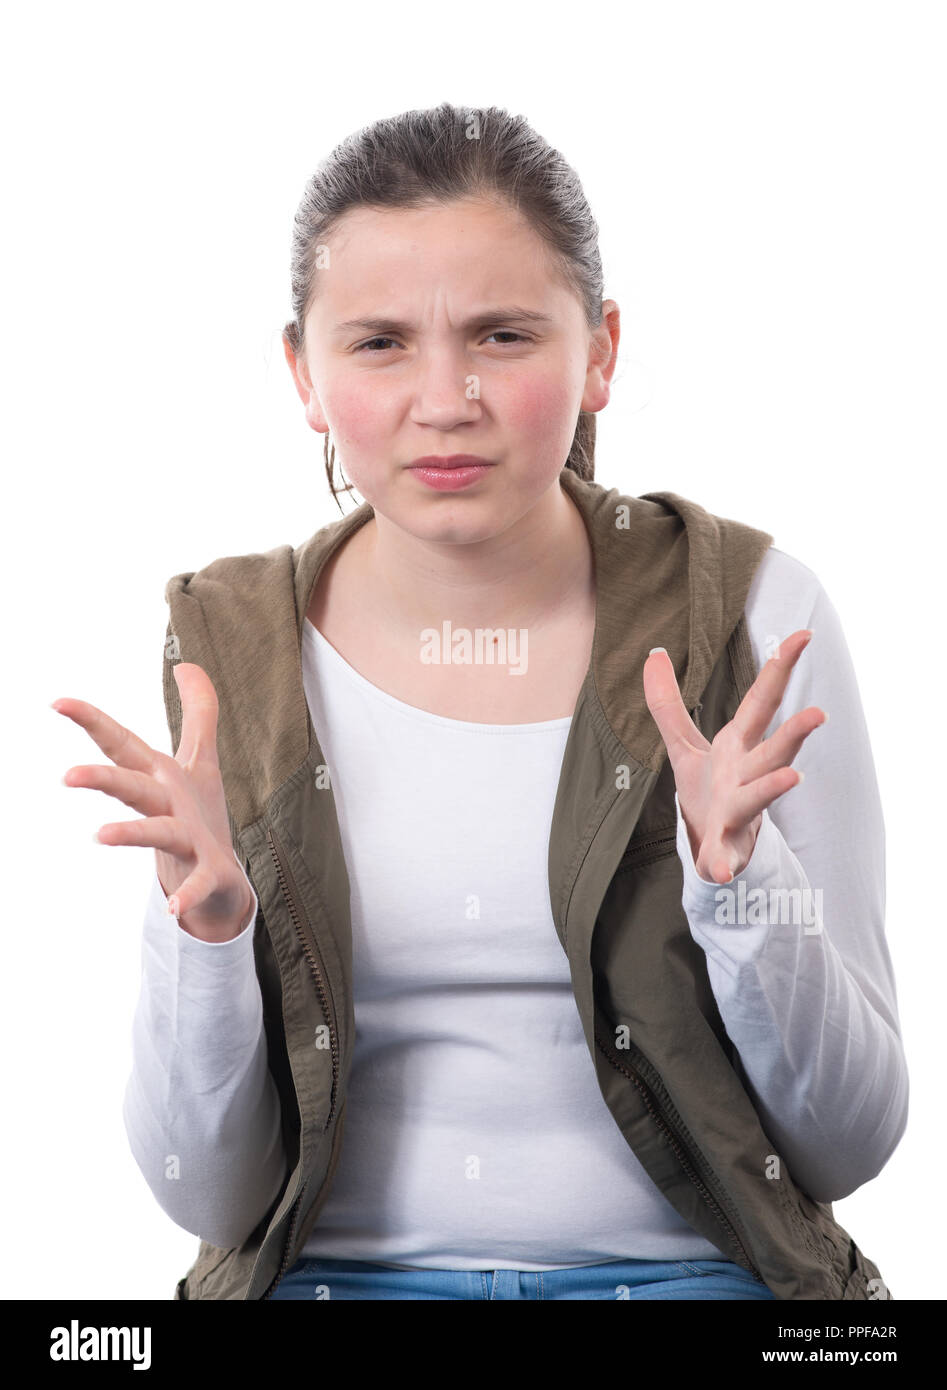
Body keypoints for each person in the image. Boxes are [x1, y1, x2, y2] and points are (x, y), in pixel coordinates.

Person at [53, 102, 907, 1301]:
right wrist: (204, 937)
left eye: (502, 336)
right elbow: (211, 1198)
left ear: (599, 351)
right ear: (303, 372)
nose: (444, 398)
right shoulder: (227, 655)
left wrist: (742, 891)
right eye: (379, 343)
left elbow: (848, 1144)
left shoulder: (753, 612)